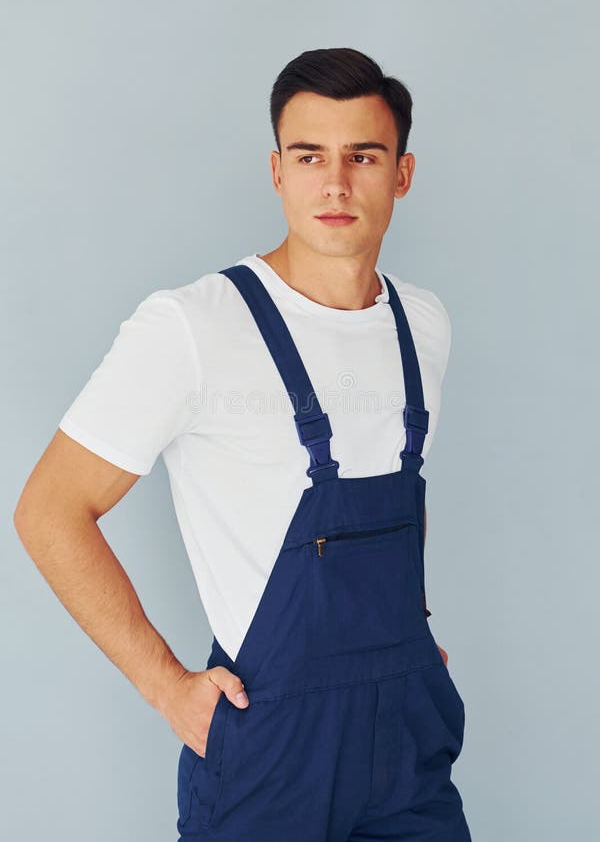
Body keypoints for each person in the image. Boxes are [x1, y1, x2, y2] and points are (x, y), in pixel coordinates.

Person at [14, 47, 472, 840]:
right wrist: (166, 687)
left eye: (363, 156)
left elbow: (399, 492)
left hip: (406, 739)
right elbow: (49, 511)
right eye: (309, 156)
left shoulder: (422, 323)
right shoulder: (195, 326)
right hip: (271, 748)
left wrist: (413, 631)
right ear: (276, 171)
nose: (335, 183)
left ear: (401, 174)